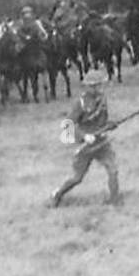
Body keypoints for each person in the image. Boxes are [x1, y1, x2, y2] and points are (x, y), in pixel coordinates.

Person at [50, 70, 120, 206]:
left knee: (113, 170)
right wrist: (84, 136)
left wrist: (110, 125)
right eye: (95, 86)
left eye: (100, 85)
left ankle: (115, 201)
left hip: (102, 142)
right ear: (88, 87)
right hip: (86, 147)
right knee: (77, 178)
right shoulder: (80, 103)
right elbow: (67, 125)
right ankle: (57, 194)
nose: (98, 88)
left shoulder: (102, 99)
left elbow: (102, 120)